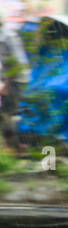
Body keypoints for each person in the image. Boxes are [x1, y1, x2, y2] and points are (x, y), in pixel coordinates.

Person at [0, 20, 31, 151]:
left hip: (17, 80)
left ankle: (13, 145)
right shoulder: (4, 37)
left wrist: (7, 85)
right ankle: (11, 143)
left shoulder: (8, 38)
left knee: (7, 112)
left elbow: (16, 65)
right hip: (10, 78)